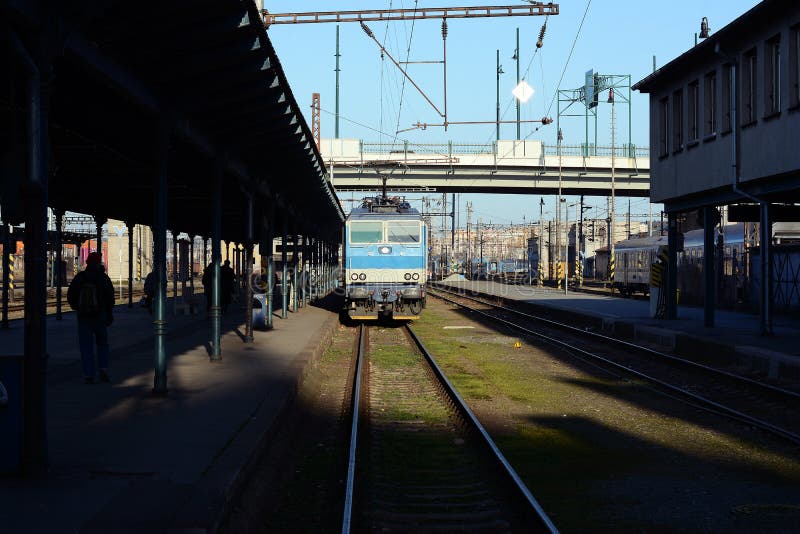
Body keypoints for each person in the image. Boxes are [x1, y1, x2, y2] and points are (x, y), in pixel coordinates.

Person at [67, 252, 115, 384]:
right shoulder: (103, 278)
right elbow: (110, 297)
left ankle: (88, 374)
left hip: (83, 317)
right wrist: (109, 314)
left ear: (87, 262)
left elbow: (70, 296)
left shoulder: (80, 277)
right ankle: (103, 369)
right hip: (100, 316)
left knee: (86, 346)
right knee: (102, 343)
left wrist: (79, 308)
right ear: (99, 263)